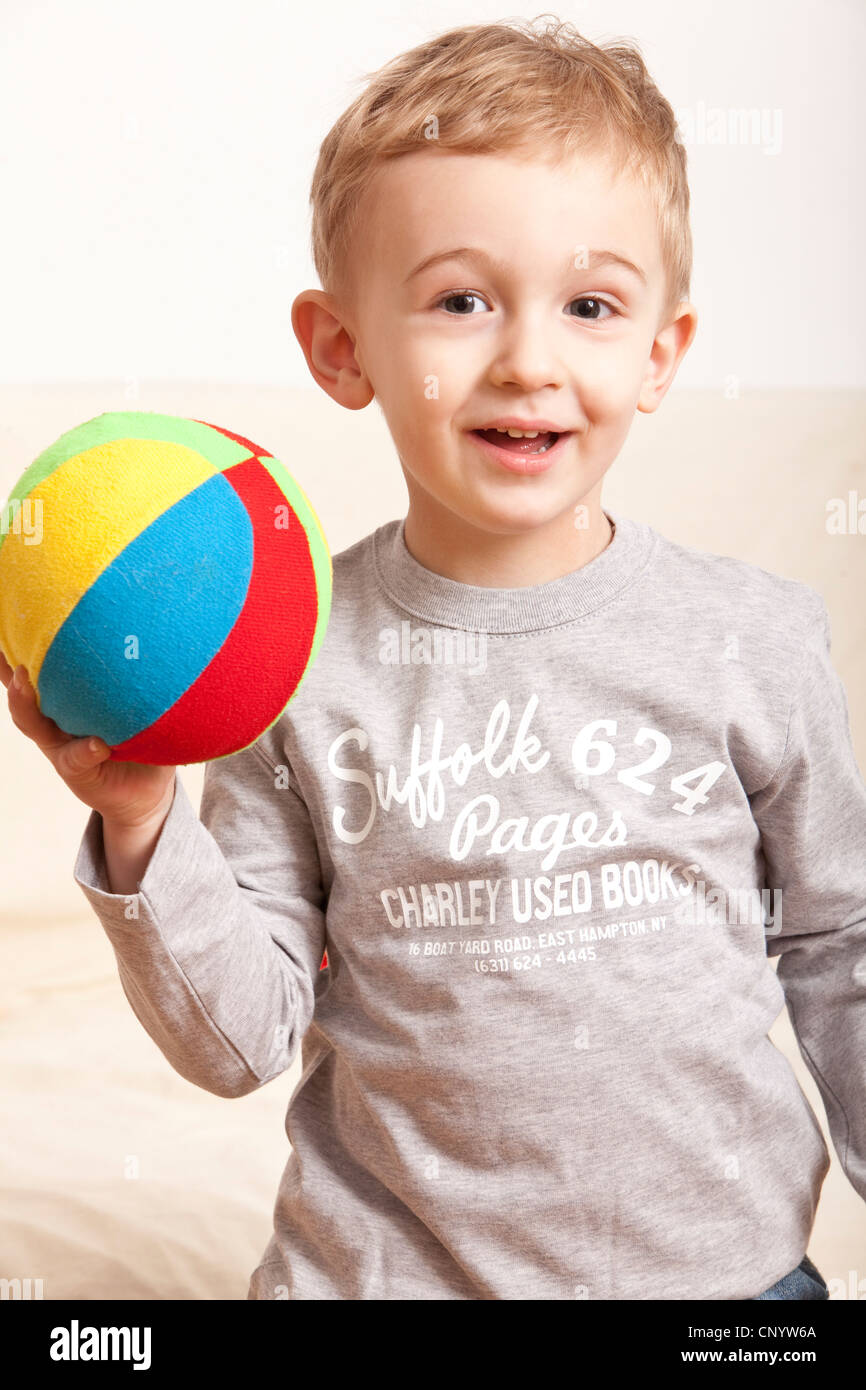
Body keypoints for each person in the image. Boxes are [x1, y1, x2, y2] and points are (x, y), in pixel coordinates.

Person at [3, 16, 862, 1300]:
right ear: (341, 348)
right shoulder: (287, 663)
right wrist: (139, 818)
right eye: (460, 299)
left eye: (589, 305)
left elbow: (838, 945)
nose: (527, 357)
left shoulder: (757, 640)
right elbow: (243, 1043)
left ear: (658, 355)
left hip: (725, 1294)